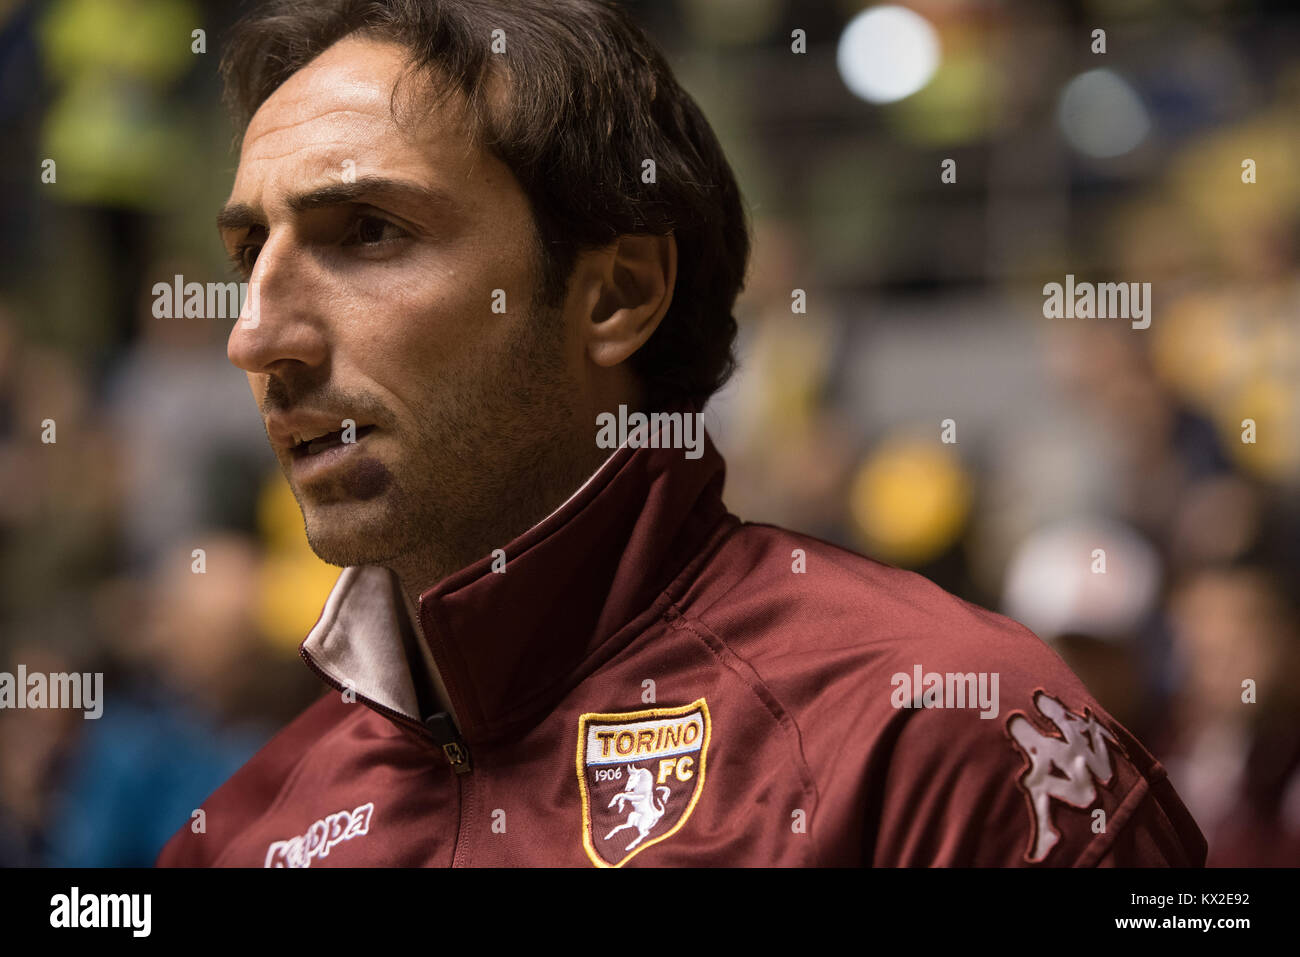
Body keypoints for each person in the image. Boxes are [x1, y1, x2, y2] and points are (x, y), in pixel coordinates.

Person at [157, 0, 1205, 867]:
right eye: (249, 250)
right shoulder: (242, 836)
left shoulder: (941, 741)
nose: (255, 334)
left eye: (368, 233)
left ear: (615, 295)